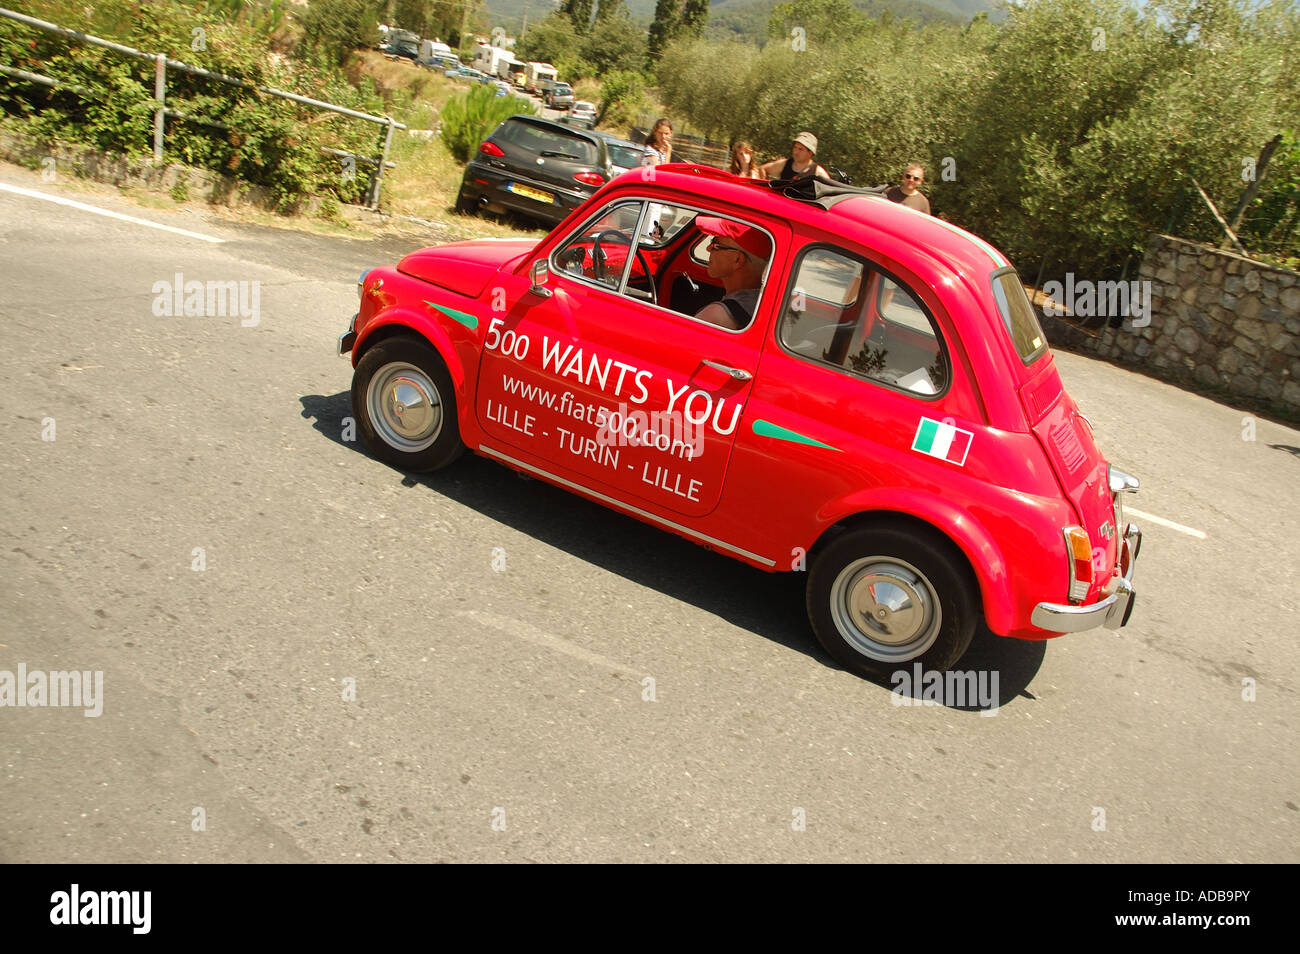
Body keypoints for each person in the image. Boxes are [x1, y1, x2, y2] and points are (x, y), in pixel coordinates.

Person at [692, 217, 770, 330]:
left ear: (737, 260)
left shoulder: (715, 316)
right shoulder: (760, 302)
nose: (708, 248)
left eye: (716, 245)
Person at [759, 131, 828, 181]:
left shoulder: (818, 172)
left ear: (810, 153)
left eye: (800, 149)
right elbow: (762, 169)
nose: (795, 152)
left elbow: (831, 192)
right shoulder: (784, 164)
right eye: (795, 147)